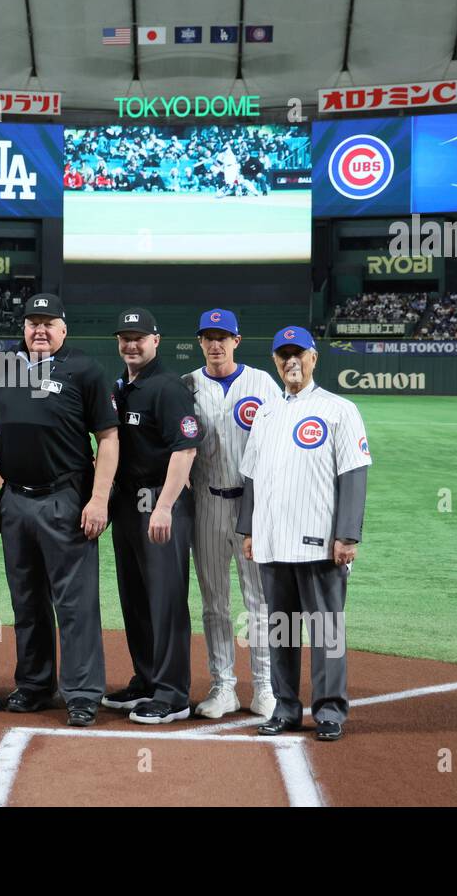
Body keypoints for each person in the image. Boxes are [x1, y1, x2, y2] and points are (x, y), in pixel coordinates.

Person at [237, 326, 371, 742]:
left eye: (299, 353)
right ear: (275, 361)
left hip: (318, 542)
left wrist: (347, 535)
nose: (291, 361)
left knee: (326, 632)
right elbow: (252, 476)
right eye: (283, 355)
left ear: (314, 358)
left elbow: (354, 472)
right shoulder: (266, 411)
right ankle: (286, 708)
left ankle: (329, 711)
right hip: (273, 541)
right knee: (280, 629)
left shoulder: (339, 409)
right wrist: (248, 529)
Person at [0, 293, 119, 727]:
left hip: (64, 498)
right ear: (23, 328)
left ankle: (82, 692)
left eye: (48, 323)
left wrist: (99, 498)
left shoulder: (85, 369)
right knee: (26, 601)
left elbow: (108, 437)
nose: (39, 330)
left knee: (75, 602)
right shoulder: (2, 366)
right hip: (14, 500)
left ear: (64, 329)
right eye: (32, 323)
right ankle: (34, 684)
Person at [103, 309, 203, 725]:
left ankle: (173, 693)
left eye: (139, 337)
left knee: (165, 600)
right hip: (127, 504)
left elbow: (186, 449)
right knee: (136, 598)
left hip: (160, 504)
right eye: (125, 337)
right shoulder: (122, 386)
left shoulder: (168, 388)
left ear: (155, 341)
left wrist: (164, 506)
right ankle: (146, 679)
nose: (131, 344)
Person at [183, 309, 280, 721]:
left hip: (252, 506)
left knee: (259, 600)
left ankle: (265, 686)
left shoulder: (261, 383)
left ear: (237, 341)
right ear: (201, 341)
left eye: (223, 336)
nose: (215, 344)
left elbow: (281, 445)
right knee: (214, 602)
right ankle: (223, 686)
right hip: (206, 503)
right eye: (208, 336)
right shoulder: (187, 385)